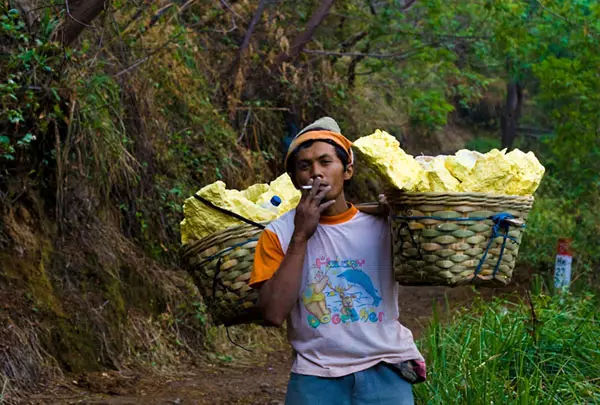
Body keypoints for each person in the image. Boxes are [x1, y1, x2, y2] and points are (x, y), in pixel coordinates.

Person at [249, 117, 426, 405]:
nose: (316, 173)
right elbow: (272, 313)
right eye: (304, 166)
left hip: (386, 370)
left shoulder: (384, 225)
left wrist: (399, 209)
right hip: (315, 377)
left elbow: (431, 262)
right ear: (295, 179)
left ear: (348, 170)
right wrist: (301, 236)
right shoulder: (278, 234)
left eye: (325, 161)